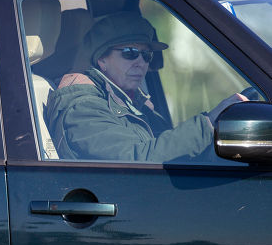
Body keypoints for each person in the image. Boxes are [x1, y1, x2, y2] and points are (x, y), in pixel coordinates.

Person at [45, 11, 247, 162]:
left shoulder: (132, 102)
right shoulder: (82, 108)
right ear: (101, 59)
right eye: (130, 52)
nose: (140, 62)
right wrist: (209, 123)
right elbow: (137, 159)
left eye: (146, 54)